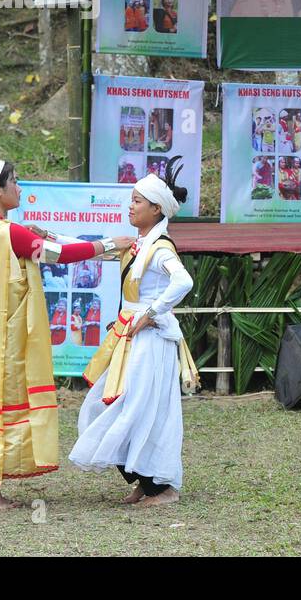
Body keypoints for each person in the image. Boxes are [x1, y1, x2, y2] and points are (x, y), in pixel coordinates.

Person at [0, 136, 131, 510]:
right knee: (6, 400)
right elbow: (59, 254)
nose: (19, 188)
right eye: (14, 182)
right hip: (7, 335)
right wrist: (111, 243)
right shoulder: (7, 233)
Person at [69, 157, 200, 506]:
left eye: (137, 201)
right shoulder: (138, 244)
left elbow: (183, 281)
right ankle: (143, 479)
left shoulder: (159, 249)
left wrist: (153, 312)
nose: (131, 206)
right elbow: (91, 250)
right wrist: (47, 237)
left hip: (150, 339)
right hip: (131, 337)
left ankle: (162, 487)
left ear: (157, 209)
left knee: (140, 407)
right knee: (110, 403)